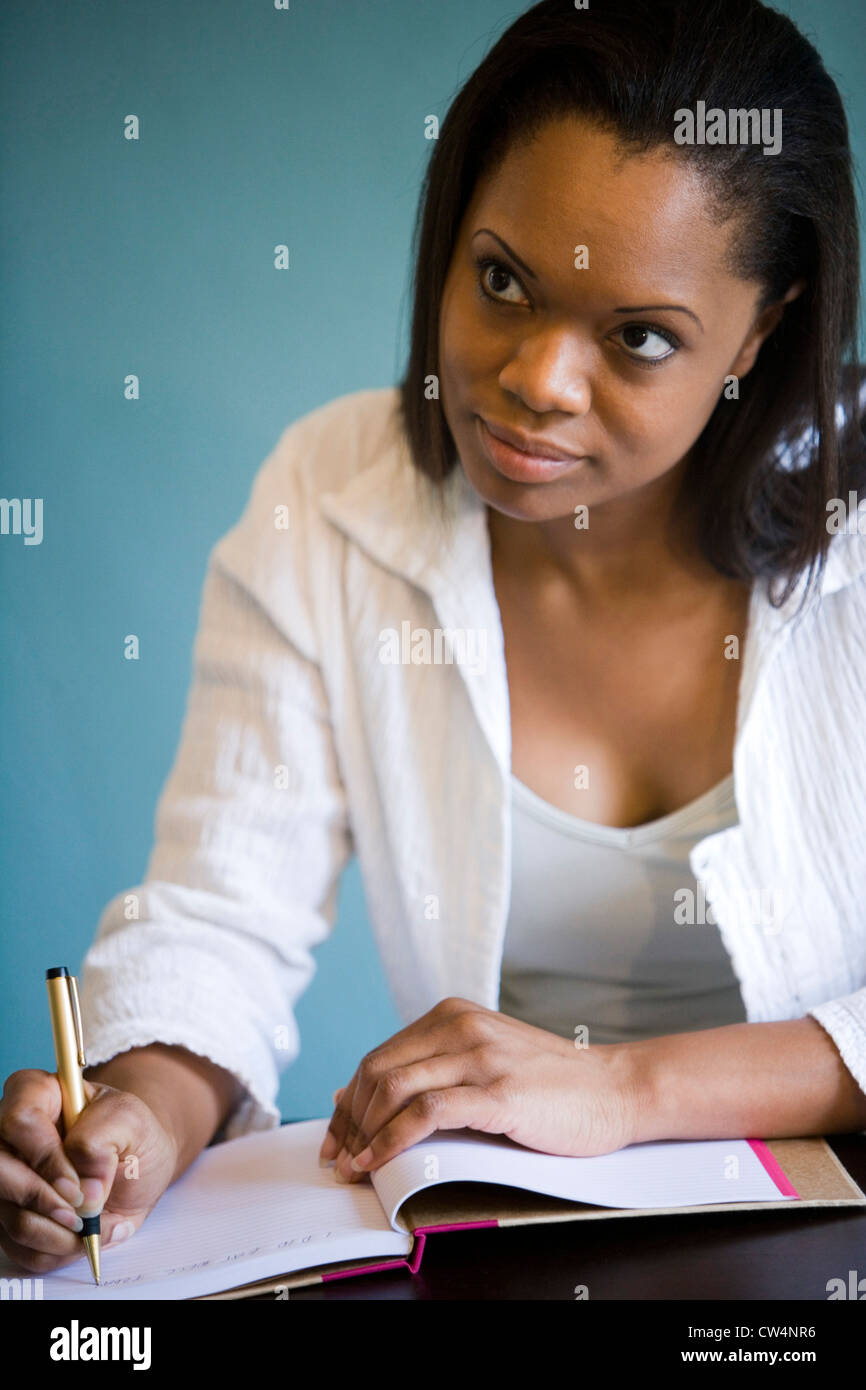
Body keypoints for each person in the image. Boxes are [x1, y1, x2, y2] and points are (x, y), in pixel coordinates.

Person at [2, 0, 865, 1275]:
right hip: (501, 1254)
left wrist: (617, 1090)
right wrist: (135, 1114)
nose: (535, 380)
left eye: (636, 338)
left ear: (765, 328)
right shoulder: (329, 496)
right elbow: (220, 922)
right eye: (501, 278)